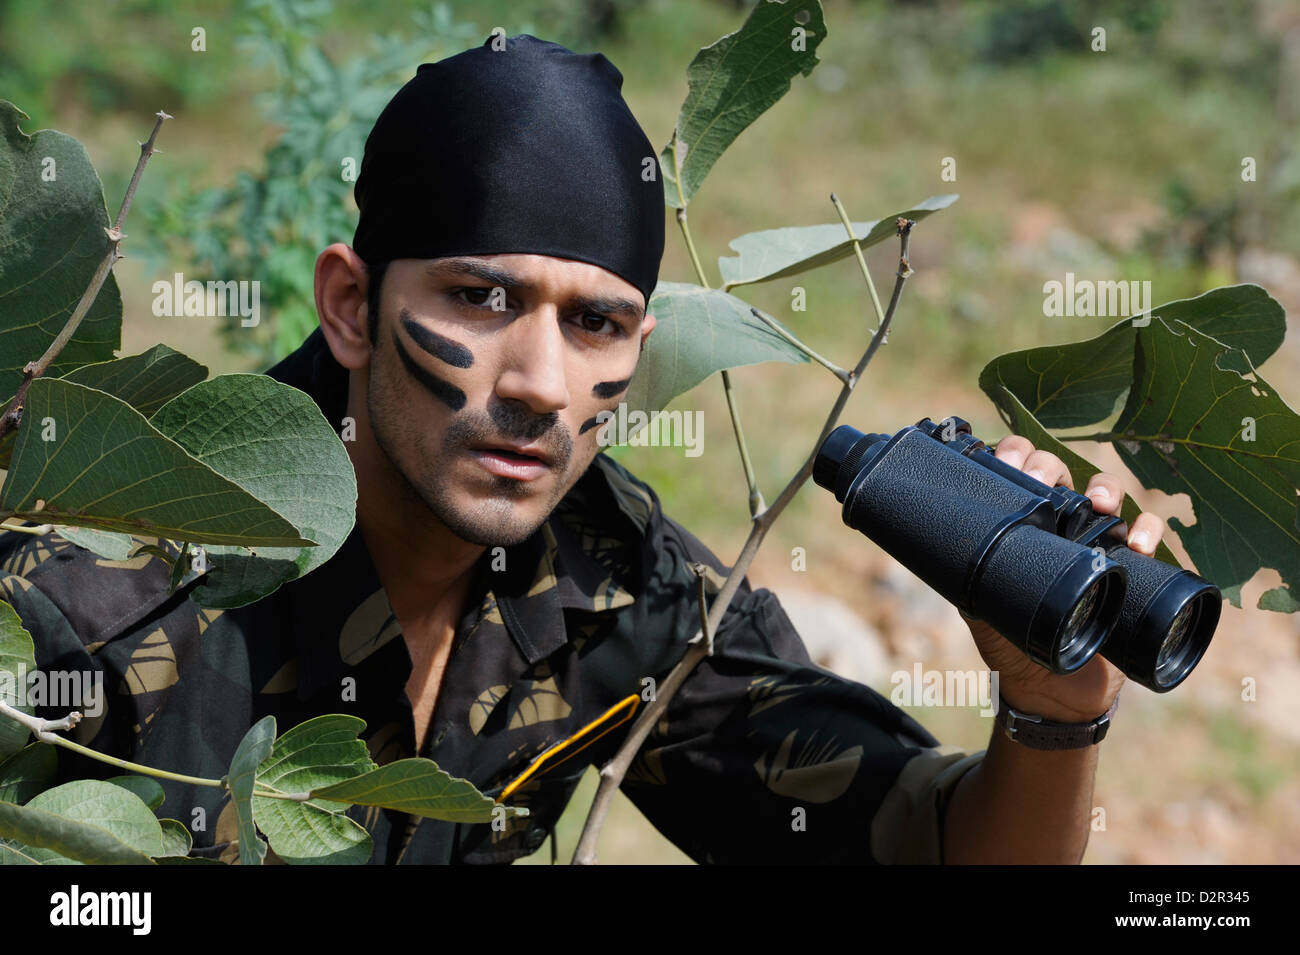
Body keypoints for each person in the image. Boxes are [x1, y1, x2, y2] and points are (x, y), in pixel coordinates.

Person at [0, 33, 1166, 864]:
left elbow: (922, 846)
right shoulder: (101, 597)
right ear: (351, 306)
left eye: (594, 321)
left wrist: (1052, 705)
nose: (542, 386)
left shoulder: (626, 590)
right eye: (480, 296)